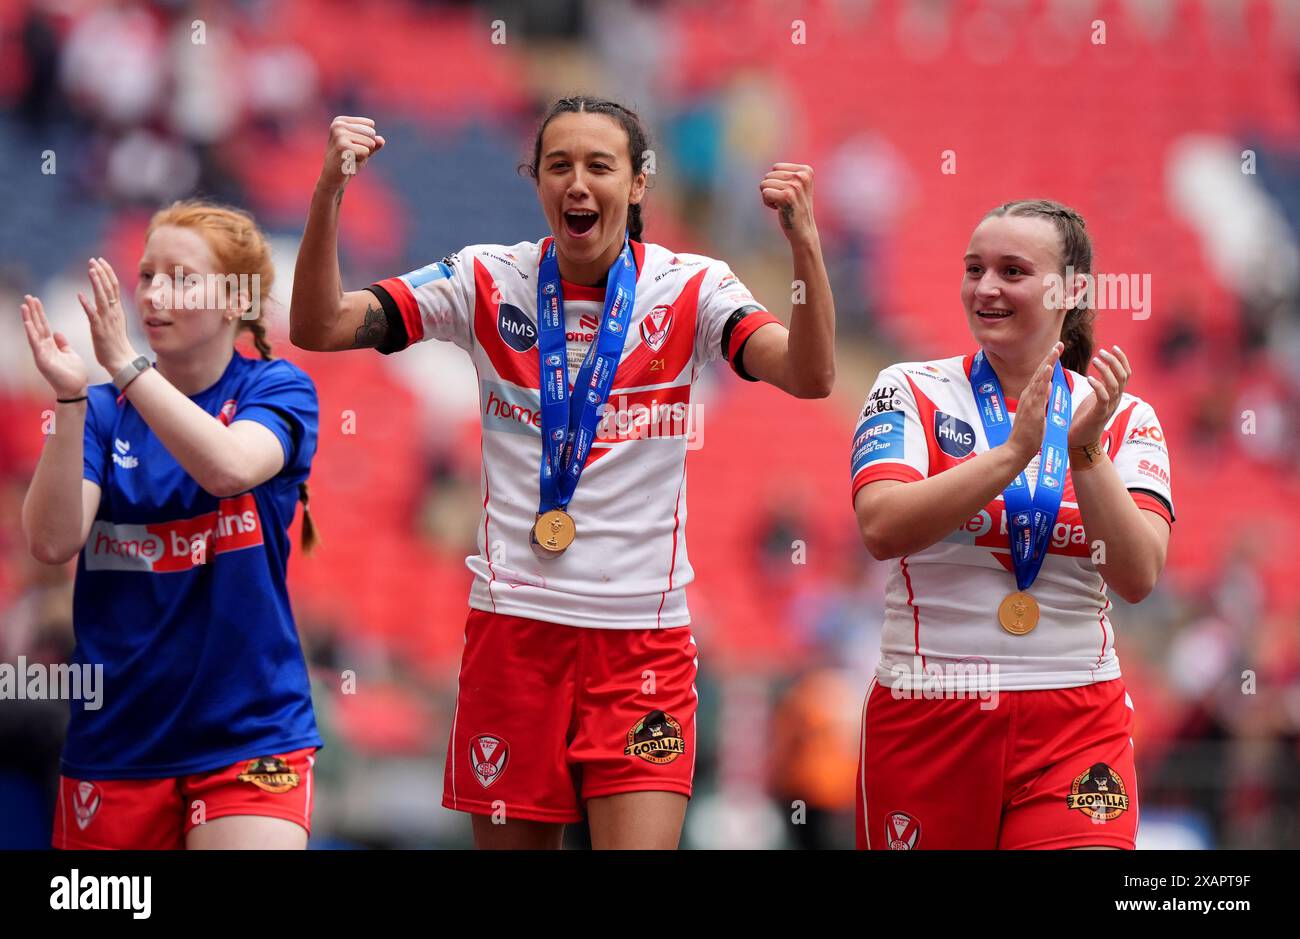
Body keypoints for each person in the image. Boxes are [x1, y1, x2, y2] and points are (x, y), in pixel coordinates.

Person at [290, 96, 836, 849]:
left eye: (600, 166)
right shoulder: (484, 279)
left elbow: (809, 374)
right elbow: (319, 325)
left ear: (639, 184)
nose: (578, 183)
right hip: (515, 637)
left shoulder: (693, 287)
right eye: (558, 165)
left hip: (641, 644)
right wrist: (330, 192)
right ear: (537, 180)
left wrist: (805, 248)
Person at [851, 199, 1174, 850]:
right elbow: (881, 526)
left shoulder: (1124, 416)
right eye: (975, 269)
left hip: (1076, 720)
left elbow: (1138, 574)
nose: (986, 287)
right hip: (929, 716)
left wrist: (1084, 451)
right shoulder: (911, 388)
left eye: (1012, 270)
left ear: (1072, 291)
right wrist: (1013, 452)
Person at [20, 200, 323, 849]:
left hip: (250, 735)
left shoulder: (279, 388)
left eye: (180, 278)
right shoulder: (101, 412)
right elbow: (50, 541)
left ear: (237, 300)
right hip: (118, 742)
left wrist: (128, 367)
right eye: (147, 275)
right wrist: (72, 402)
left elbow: (229, 467)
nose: (154, 294)